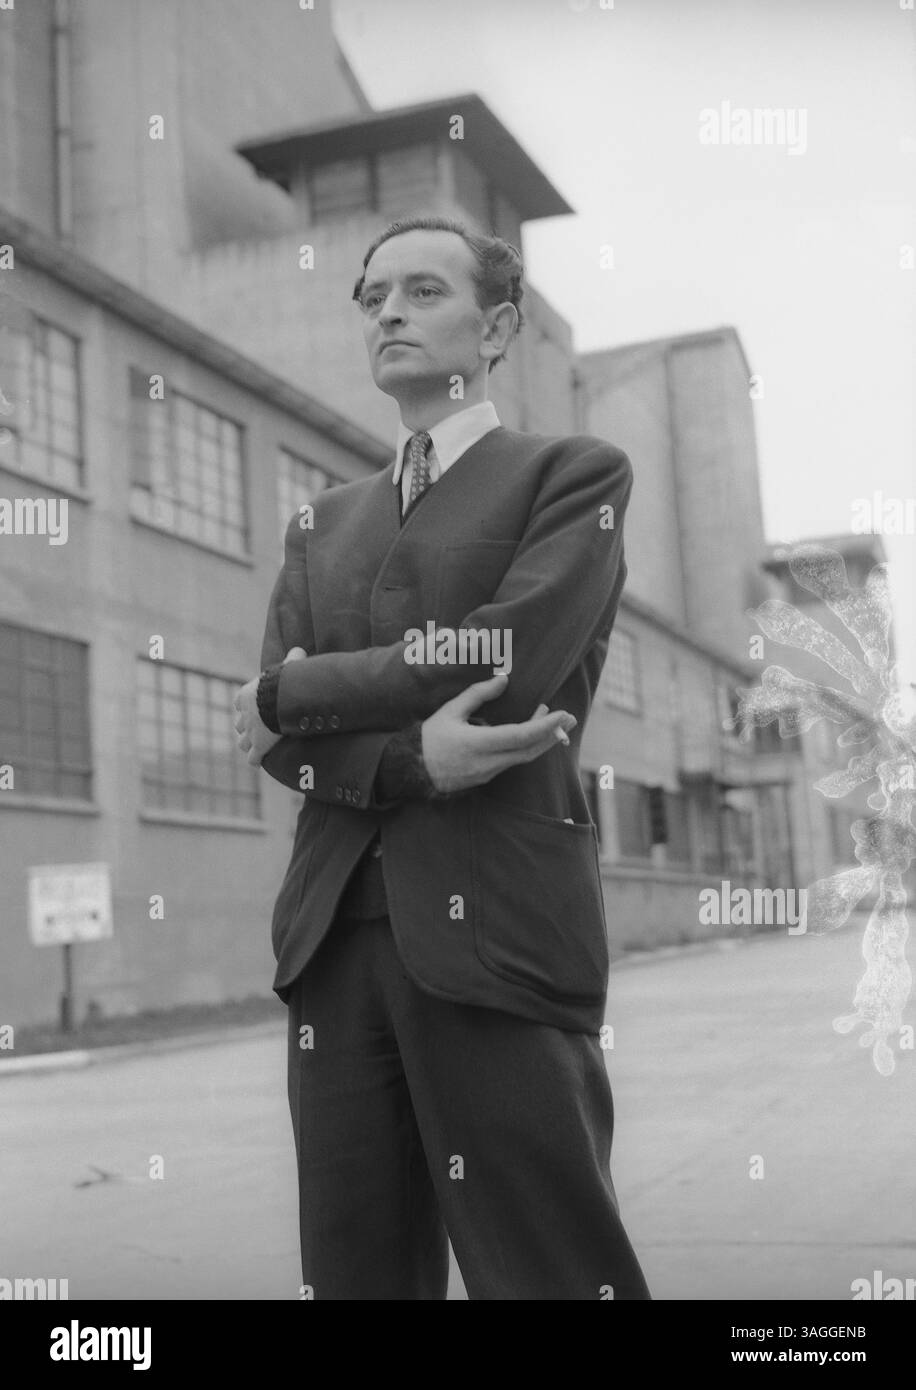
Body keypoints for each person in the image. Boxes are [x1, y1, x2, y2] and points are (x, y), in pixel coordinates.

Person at [233, 214, 651, 1301]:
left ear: (496, 324)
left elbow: (500, 654)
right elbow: (272, 745)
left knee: (548, 1271)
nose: (388, 313)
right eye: (373, 296)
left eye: (422, 291)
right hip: (333, 940)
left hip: (498, 931)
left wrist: (297, 687)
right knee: (355, 1273)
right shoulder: (320, 525)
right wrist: (406, 759)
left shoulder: (572, 475)